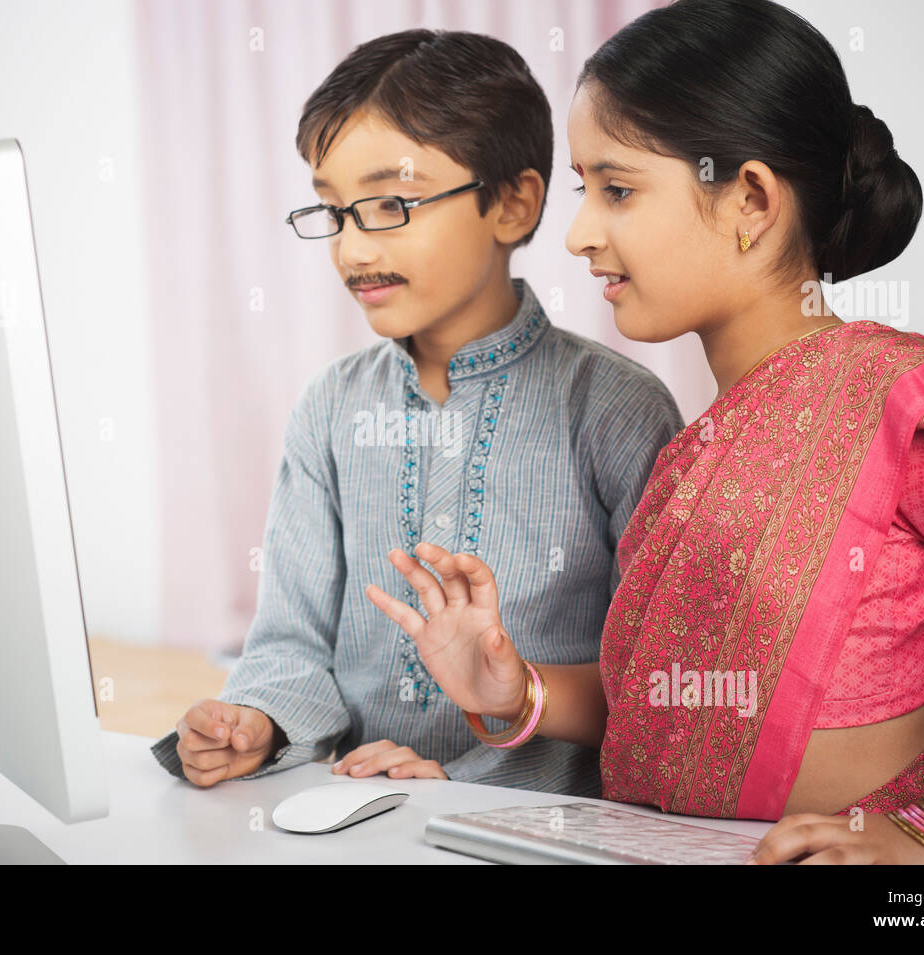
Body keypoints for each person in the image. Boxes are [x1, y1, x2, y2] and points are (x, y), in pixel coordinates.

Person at [366, 0, 924, 863]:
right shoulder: (693, 449)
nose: (581, 234)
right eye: (586, 191)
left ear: (752, 200)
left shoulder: (895, 406)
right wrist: (516, 688)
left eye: (617, 189)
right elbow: (666, 710)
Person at [173, 29, 683, 797]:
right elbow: (289, 639)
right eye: (335, 212)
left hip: (534, 827)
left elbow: (649, 685)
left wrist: (456, 778)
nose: (351, 249)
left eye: (390, 204)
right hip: (353, 810)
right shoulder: (330, 408)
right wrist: (254, 720)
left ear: (512, 203)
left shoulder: (617, 410)